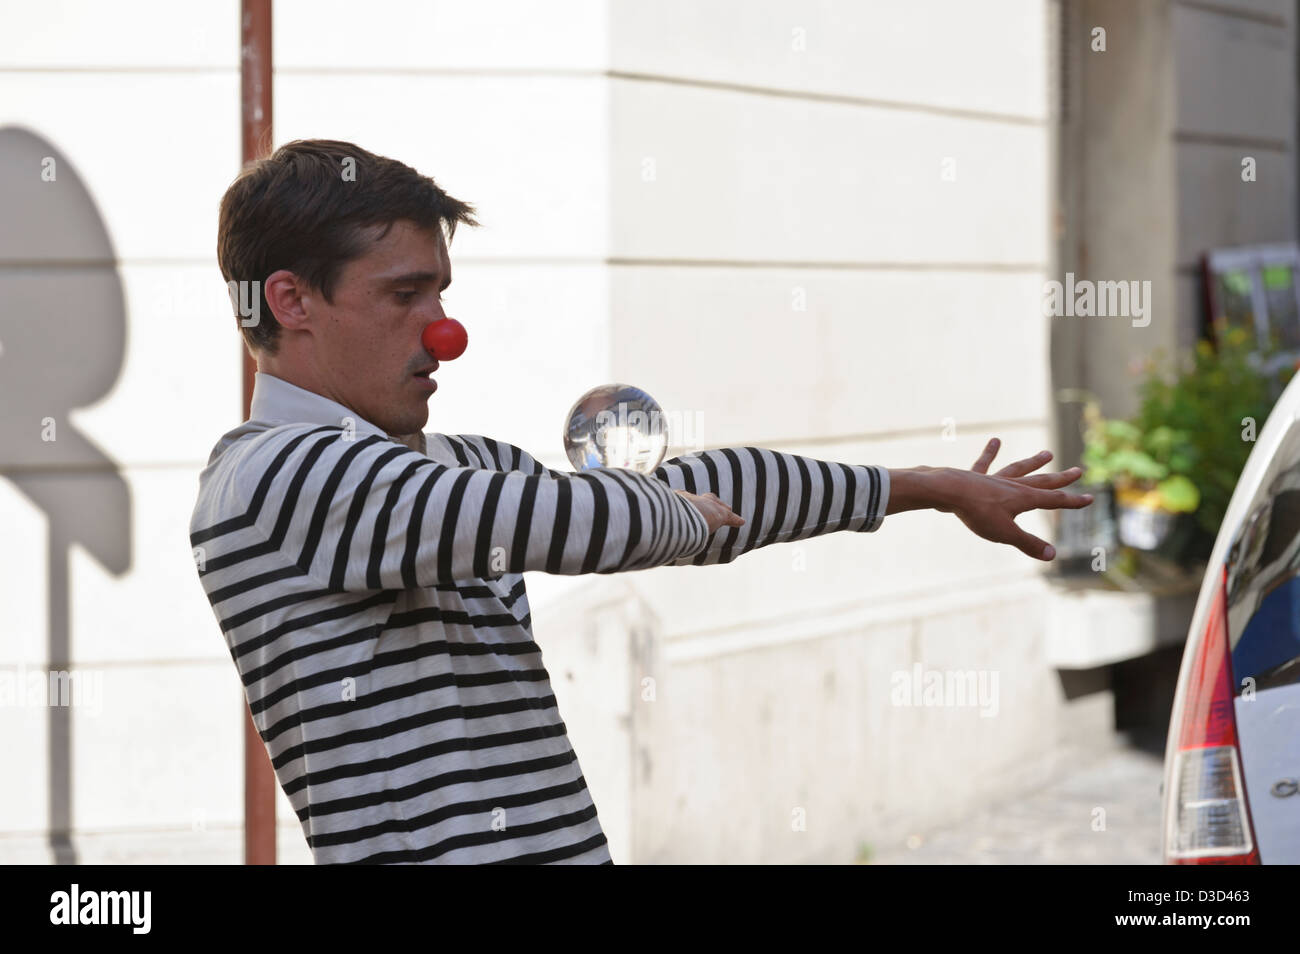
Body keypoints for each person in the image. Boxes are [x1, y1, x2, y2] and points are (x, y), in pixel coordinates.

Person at [191, 138, 1092, 864]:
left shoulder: (453, 467)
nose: (444, 333)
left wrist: (929, 489)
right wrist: (663, 516)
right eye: (403, 295)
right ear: (292, 301)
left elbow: (697, 491)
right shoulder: (270, 476)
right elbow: (577, 521)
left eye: (440, 293)